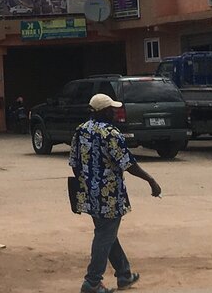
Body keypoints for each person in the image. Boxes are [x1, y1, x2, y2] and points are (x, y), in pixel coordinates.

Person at [70, 93, 161, 293]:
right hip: (109, 196)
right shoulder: (111, 133)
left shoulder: (81, 130)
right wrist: (151, 181)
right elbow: (128, 164)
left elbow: (74, 164)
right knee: (104, 236)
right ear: (103, 111)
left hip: (89, 195)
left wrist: (87, 182)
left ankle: (124, 274)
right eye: (111, 109)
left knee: (107, 234)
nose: (115, 112)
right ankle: (92, 282)